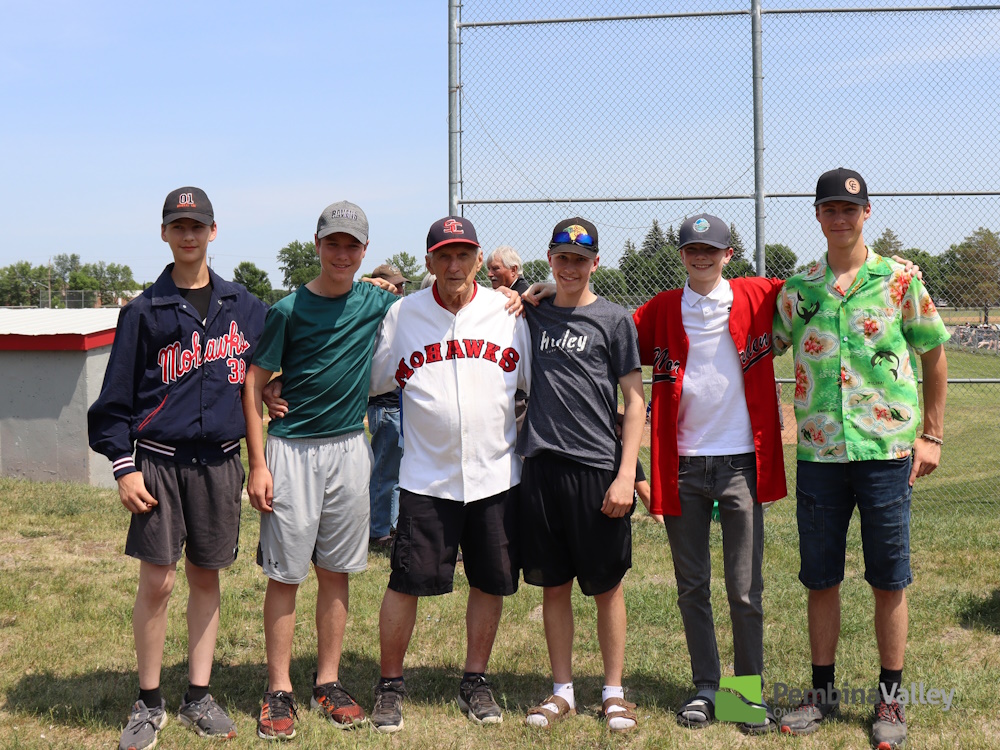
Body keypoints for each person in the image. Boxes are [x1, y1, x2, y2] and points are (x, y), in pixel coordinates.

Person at [773, 169, 948, 750]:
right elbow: (750, 331)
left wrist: (932, 435)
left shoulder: (899, 281)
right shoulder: (798, 290)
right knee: (820, 577)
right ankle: (821, 693)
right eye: (830, 209)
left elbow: (933, 352)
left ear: (866, 213)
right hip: (821, 453)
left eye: (851, 209)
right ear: (817, 216)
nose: (841, 218)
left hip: (885, 451)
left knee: (888, 578)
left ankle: (891, 698)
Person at [88, 187, 267, 750]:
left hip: (219, 464)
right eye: (178, 225)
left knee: (206, 576)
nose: (188, 235)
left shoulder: (246, 306)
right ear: (164, 233)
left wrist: (278, 390)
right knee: (159, 582)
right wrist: (124, 468)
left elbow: (266, 371)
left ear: (214, 232)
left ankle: (198, 694)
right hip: (160, 463)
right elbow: (113, 403)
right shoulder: (143, 310)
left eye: (198, 225)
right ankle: (148, 702)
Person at [242, 201, 401, 739]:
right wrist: (258, 462)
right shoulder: (288, 309)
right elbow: (254, 379)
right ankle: (278, 687)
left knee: (337, 572)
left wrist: (527, 292)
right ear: (316, 244)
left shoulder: (376, 302)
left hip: (349, 447)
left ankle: (327, 680)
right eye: (332, 243)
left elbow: (440, 296)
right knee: (286, 574)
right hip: (291, 451)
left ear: (364, 251)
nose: (341, 253)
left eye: (351, 245)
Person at [367, 216, 531, 733]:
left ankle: (475, 680)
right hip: (426, 477)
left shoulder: (509, 313)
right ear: (429, 262)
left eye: (464, 254)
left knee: (490, 581)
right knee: (406, 582)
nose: (455, 265)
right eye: (444, 255)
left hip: (496, 474)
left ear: (480, 260)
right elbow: (368, 379)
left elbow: (531, 381)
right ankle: (390, 684)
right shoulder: (404, 314)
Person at [632, 213, 787, 734]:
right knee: (692, 584)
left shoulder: (757, 295)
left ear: (728, 255)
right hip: (683, 463)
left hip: (741, 459)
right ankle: (704, 687)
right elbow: (603, 322)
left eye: (712, 249)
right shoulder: (660, 309)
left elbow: (819, 283)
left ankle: (745, 694)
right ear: (681, 254)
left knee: (745, 588)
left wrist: (897, 268)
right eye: (692, 248)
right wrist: (529, 290)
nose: (702, 257)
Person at [518, 217, 645, 733]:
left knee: (607, 585)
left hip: (596, 468)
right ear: (550, 259)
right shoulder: (533, 312)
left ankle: (614, 691)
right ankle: (562, 689)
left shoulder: (614, 320)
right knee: (554, 586)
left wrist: (625, 476)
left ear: (596, 262)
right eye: (562, 258)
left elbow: (636, 402)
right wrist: (525, 293)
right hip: (543, 467)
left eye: (580, 259)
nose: (570, 268)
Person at [365, 264, 407, 548]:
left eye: (401, 285)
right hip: (385, 404)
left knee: (394, 471)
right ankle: (378, 530)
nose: (400, 290)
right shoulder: (377, 313)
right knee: (384, 471)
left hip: (395, 405)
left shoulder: (397, 312)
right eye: (393, 285)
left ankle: (388, 527)